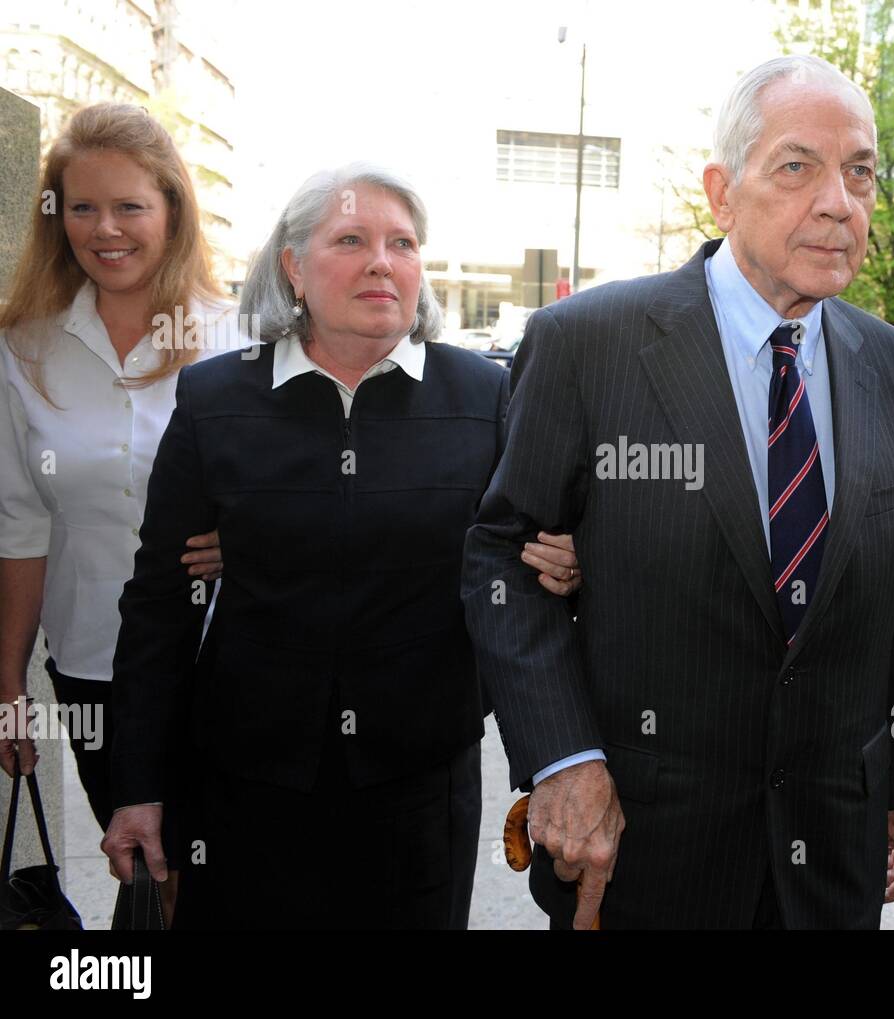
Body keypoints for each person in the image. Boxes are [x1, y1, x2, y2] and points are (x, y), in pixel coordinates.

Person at [462, 55, 894, 930]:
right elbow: (501, 559)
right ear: (722, 192)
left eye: (860, 172)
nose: (840, 201)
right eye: (798, 167)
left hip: (830, 856)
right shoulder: (588, 342)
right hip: (645, 852)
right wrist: (563, 758)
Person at [101, 164, 580, 929]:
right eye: (351, 240)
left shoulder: (486, 397)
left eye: (402, 243)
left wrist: (567, 562)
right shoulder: (216, 399)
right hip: (245, 784)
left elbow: (529, 560)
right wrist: (139, 785)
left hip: (421, 790)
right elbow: (160, 602)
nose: (382, 261)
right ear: (294, 265)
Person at [0, 104, 233, 921]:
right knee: (147, 870)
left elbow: (305, 499)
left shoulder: (243, 337)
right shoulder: (21, 347)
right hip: (94, 666)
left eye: (130, 205)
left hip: (229, 658)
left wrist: (245, 540)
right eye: (82, 206)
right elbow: (20, 524)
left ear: (172, 209)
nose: (106, 229)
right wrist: (9, 684)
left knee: (220, 876)